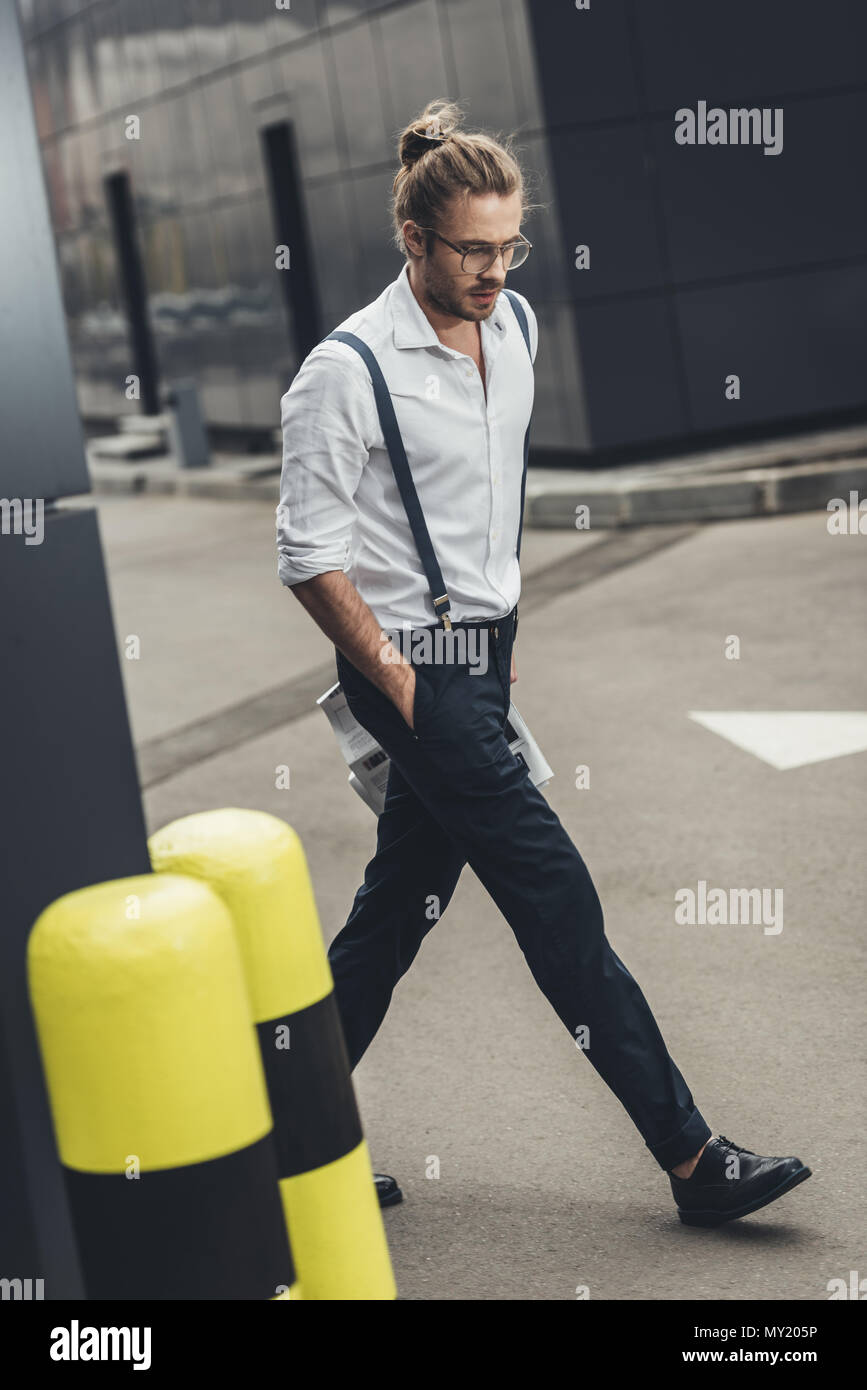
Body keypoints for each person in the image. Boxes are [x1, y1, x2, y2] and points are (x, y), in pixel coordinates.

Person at [276, 99, 811, 1227]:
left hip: (482, 664)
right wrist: (407, 682)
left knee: (396, 910)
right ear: (412, 239)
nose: (494, 268)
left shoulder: (510, 327)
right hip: (415, 673)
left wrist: (499, 642)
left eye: (508, 244)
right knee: (560, 904)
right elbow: (307, 556)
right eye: (470, 248)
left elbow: (483, 510)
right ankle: (692, 1160)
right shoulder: (348, 370)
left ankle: (280, 1145)